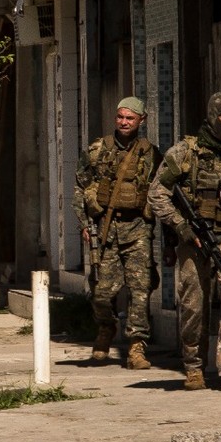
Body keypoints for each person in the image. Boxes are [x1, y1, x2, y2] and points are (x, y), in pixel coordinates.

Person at [148, 92, 221, 396]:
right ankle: (194, 367)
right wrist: (181, 227)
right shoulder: (185, 153)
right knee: (193, 305)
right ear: (212, 117)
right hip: (194, 239)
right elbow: (157, 194)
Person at [72, 96, 161, 369]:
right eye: (120, 117)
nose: (124, 122)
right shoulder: (98, 150)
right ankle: (106, 327)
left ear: (141, 121)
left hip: (138, 229)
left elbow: (162, 193)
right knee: (101, 291)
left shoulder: (151, 154)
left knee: (140, 290)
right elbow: (79, 187)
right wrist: (85, 225)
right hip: (106, 231)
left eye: (130, 118)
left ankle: (137, 346)